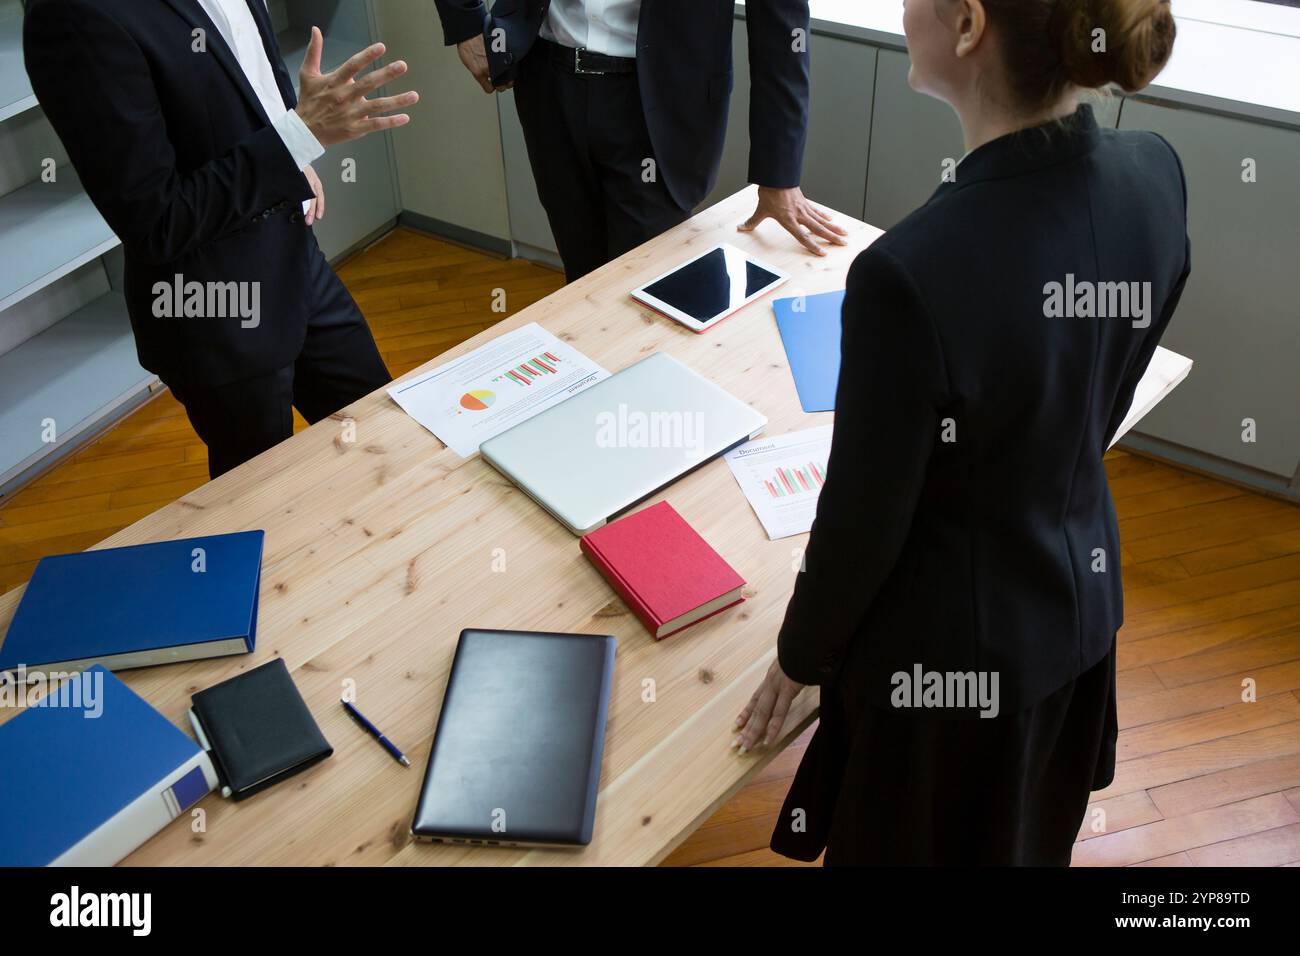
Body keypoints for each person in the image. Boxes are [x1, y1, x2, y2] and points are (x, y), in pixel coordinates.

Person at [733, 0, 1188, 865]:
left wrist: (797, 659)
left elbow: (863, 525)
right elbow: (1099, 401)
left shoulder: (908, 273)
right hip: (1079, 616)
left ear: (970, 24)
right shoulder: (1156, 173)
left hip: (946, 688)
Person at [24, 0, 419, 479]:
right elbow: (157, 222)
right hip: (215, 309)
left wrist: (296, 152)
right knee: (262, 509)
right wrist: (295, 139)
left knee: (386, 442)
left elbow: (247, 80)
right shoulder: (71, 16)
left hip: (295, 257)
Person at [433, 0, 848, 282]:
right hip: (547, 85)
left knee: (653, 294)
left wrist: (778, 175)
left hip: (662, 110)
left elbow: (783, 25)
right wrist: (465, 21)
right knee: (584, 282)